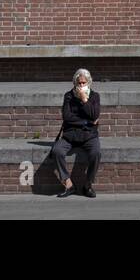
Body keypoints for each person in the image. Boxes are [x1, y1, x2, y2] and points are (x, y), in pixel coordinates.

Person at [50, 68, 101, 198]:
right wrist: (86, 122)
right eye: (79, 83)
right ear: (75, 83)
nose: (81, 85)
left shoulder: (94, 96)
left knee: (95, 153)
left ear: (89, 83)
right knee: (57, 151)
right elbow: (67, 117)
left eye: (84, 83)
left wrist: (84, 100)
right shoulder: (69, 96)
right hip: (70, 135)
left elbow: (95, 114)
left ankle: (88, 185)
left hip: (89, 135)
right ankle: (68, 184)